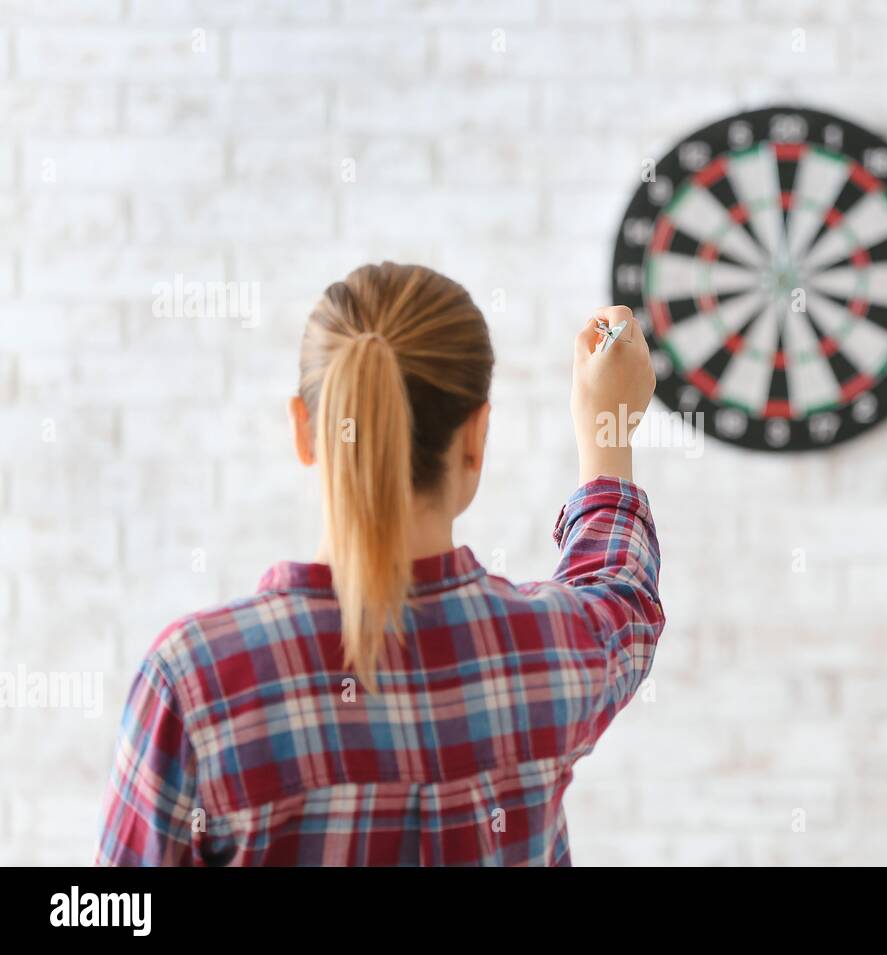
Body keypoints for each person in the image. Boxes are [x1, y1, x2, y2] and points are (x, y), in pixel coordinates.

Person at [95, 262, 664, 866]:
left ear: (305, 431)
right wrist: (608, 429)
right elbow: (620, 594)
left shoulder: (196, 682)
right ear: (476, 440)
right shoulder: (548, 655)